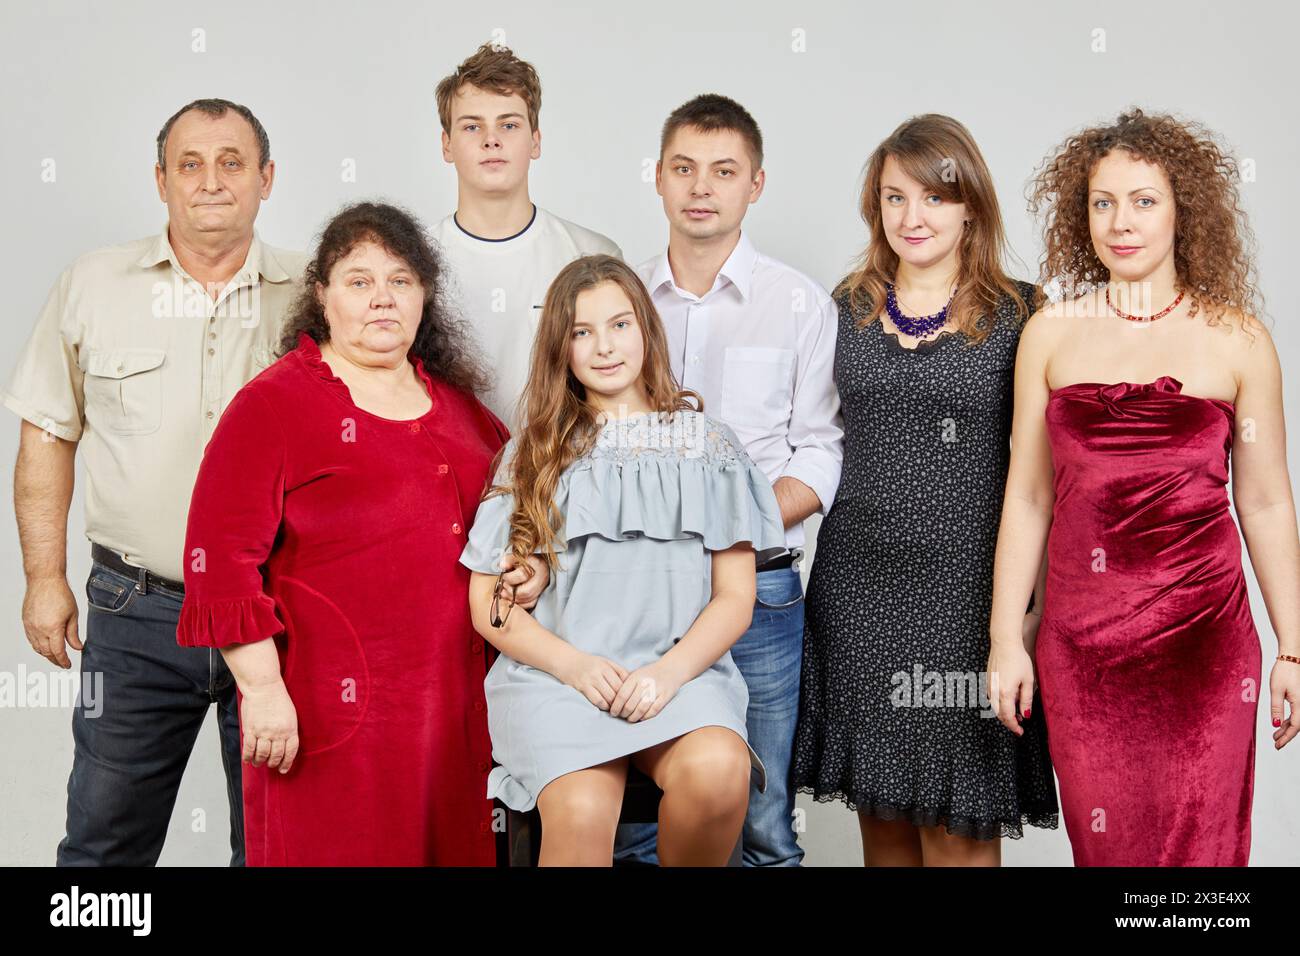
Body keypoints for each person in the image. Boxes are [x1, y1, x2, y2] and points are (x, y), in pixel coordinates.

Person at [175, 202, 547, 865]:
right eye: (359, 280)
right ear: (322, 295)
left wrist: (525, 567)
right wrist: (261, 693)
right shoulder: (272, 407)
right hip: (327, 720)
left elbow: (515, 532)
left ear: (424, 296)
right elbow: (219, 562)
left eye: (401, 281)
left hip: (451, 719)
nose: (383, 299)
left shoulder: (467, 415)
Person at [989, 108, 1300, 865]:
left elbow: (1263, 500)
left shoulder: (1239, 338)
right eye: (1103, 202)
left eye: (1143, 201)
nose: (1120, 222)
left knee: (1201, 861)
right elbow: (1028, 496)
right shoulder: (1051, 333)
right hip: (1083, 647)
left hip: (1204, 643)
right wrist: (1005, 637)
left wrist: (1293, 645)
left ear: (1182, 211)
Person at [5, 98, 305, 866]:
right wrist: (44, 577)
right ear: (161, 180)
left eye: (233, 162)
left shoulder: (317, 292)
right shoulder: (94, 285)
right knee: (105, 845)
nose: (212, 182)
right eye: (191, 164)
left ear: (266, 178)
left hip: (280, 611)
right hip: (136, 610)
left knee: (279, 847)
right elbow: (47, 435)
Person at [791, 114, 1059, 867]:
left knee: (959, 839)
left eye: (935, 198)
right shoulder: (843, 308)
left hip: (970, 602)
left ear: (970, 203)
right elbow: (805, 438)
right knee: (885, 833)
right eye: (893, 198)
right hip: (856, 597)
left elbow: (1046, 480)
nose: (914, 217)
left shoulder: (1024, 315)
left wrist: (1028, 615)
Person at [460, 254, 786, 866]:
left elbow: (735, 596)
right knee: (582, 813)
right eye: (581, 332)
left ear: (646, 330)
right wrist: (576, 667)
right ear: (561, 348)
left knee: (720, 773)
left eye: (620, 324)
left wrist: (668, 673)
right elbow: (488, 603)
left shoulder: (709, 446)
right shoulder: (532, 454)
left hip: (680, 676)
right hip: (560, 681)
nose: (604, 347)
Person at [612, 94, 842, 867]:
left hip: (763, 593)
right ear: (659, 179)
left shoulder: (800, 304)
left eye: (723, 171)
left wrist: (738, 523)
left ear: (757, 184)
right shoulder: (622, 303)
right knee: (639, 815)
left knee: (764, 816)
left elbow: (819, 451)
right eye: (683, 168)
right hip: (639, 589)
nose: (700, 187)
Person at [432, 42, 622, 431]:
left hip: (562, 476)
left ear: (535, 141)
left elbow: (618, 385)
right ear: (446, 145)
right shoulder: (413, 262)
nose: (491, 139)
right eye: (472, 126)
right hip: (448, 476)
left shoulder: (592, 255)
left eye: (509, 124)